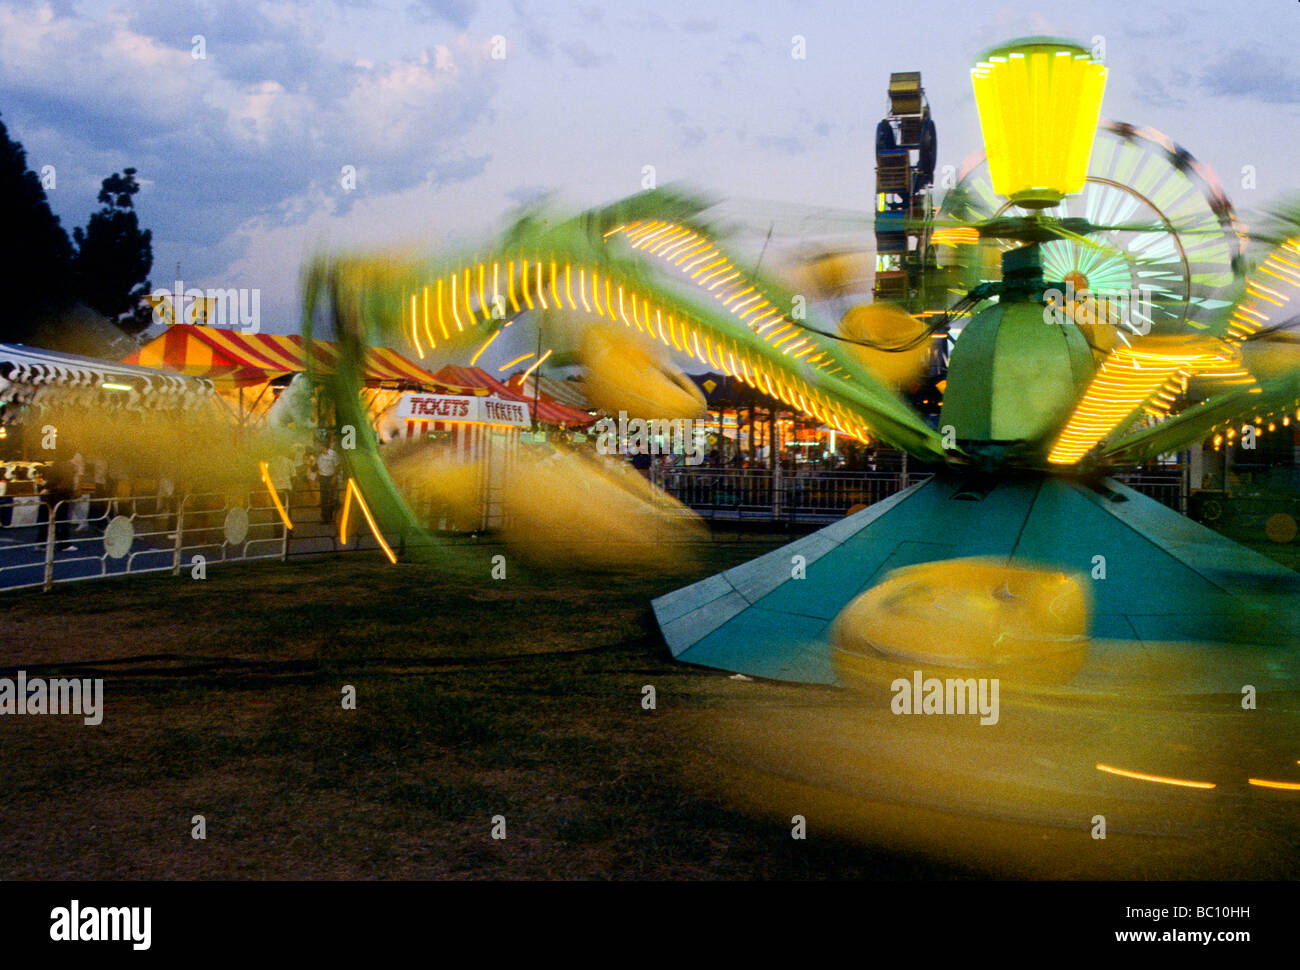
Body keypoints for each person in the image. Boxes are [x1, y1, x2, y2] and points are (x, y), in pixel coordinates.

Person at [317, 439, 339, 524]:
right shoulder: (320, 456)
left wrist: (334, 477)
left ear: (324, 446)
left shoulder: (333, 454)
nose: (319, 448)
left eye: (320, 446)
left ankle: (330, 516)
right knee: (323, 498)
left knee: (331, 497)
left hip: (331, 477)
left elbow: (338, 466)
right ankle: (324, 517)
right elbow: (319, 468)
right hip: (323, 478)